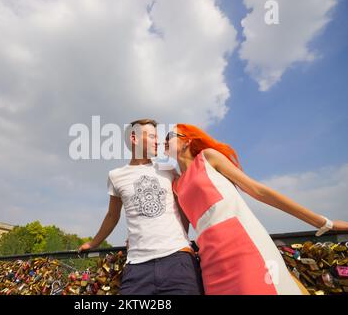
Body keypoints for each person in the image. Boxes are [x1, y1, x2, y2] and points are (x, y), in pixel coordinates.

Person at [165, 123, 348, 295]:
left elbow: (259, 191)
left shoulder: (208, 158)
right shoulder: (176, 185)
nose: (164, 140)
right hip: (209, 259)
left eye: (169, 136)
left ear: (187, 141)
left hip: (243, 244)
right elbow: (180, 231)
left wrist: (323, 222)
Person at [79, 119, 203, 295]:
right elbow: (112, 216)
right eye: (152, 136)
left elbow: (182, 206)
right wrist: (93, 243)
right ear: (134, 138)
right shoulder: (116, 176)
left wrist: (179, 237)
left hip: (178, 260)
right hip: (137, 267)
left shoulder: (168, 168)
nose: (158, 141)